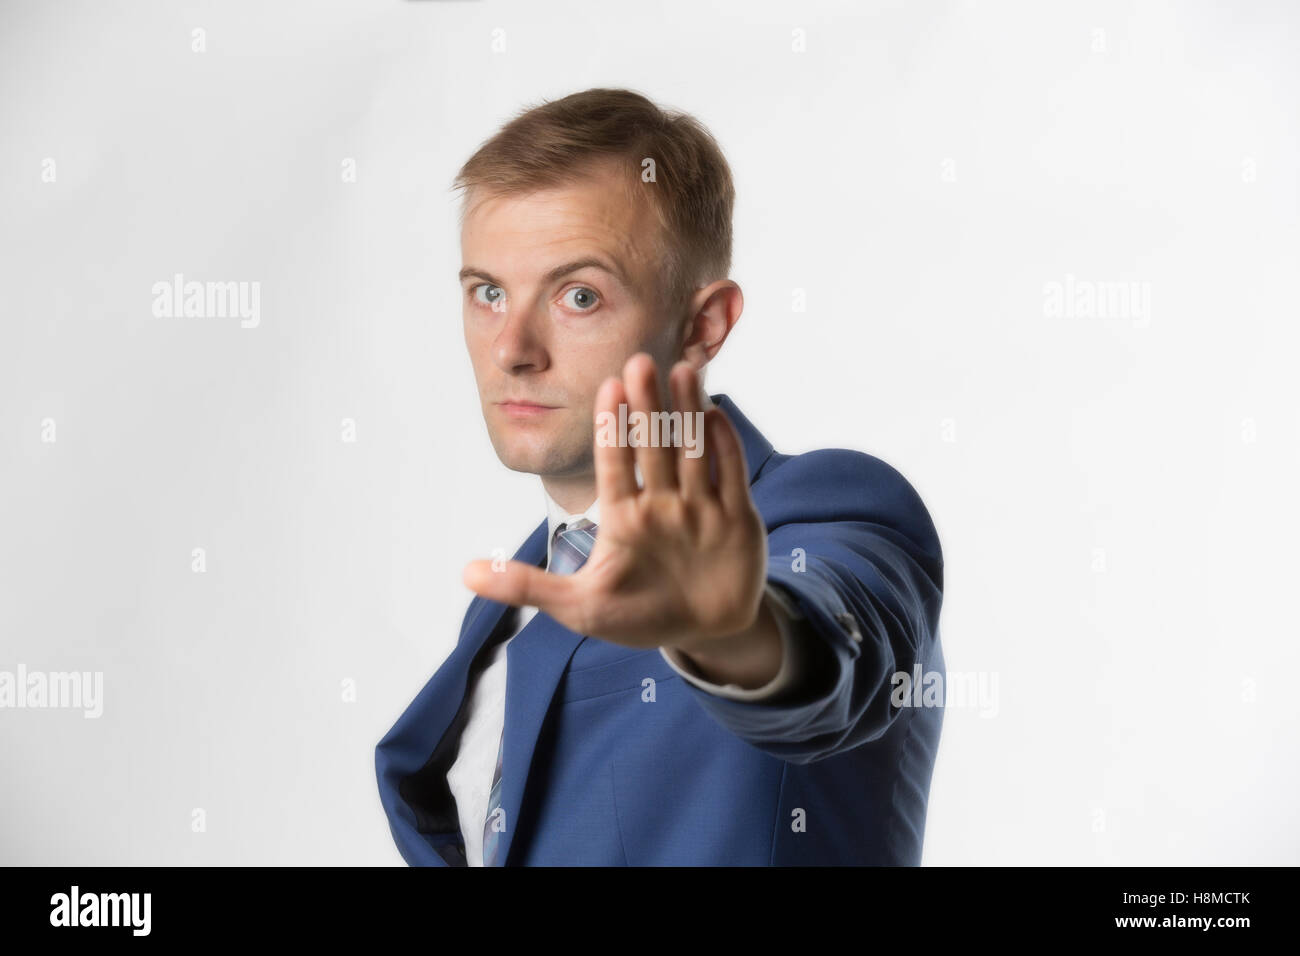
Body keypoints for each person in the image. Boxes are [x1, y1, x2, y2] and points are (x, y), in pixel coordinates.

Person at [375, 88, 945, 866]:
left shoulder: (823, 514)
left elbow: (839, 656)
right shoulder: (512, 598)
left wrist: (729, 632)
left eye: (579, 295)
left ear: (703, 325)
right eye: (489, 293)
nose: (512, 347)